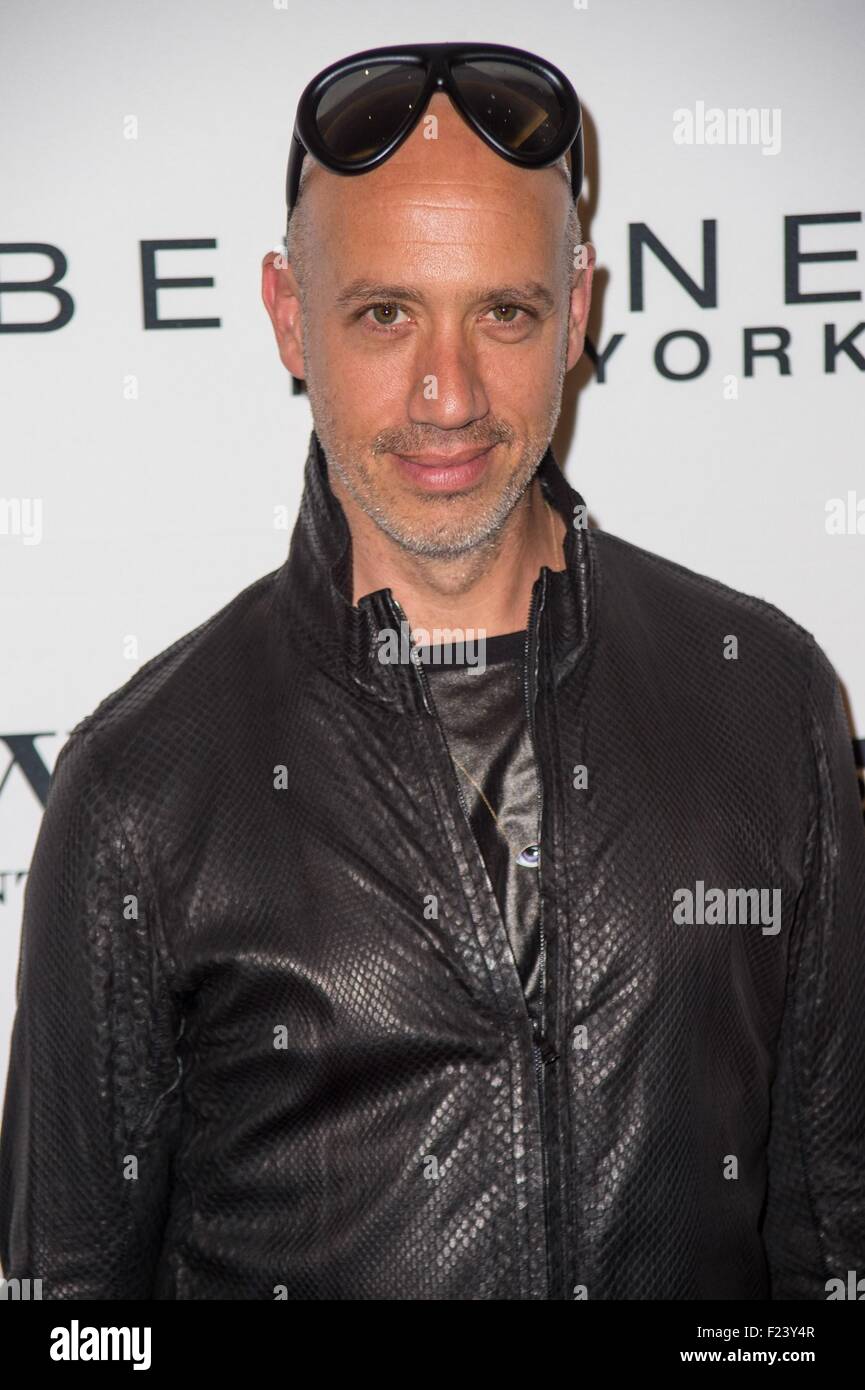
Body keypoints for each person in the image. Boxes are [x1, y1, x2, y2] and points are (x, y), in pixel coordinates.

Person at [1, 42, 863, 1301]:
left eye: (503, 312)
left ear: (576, 313)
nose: (447, 395)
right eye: (385, 312)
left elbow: (832, 1243)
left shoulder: (766, 700)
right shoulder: (140, 784)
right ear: (292, 318)